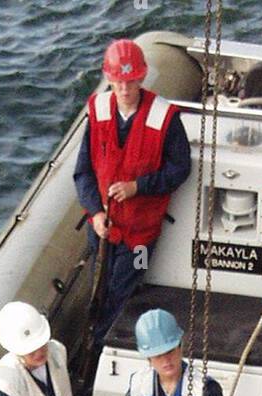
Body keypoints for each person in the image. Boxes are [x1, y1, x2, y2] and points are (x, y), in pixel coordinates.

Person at [73, 38, 191, 357]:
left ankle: (100, 353)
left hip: (140, 233)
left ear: (141, 78)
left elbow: (180, 169)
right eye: (119, 81)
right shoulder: (97, 112)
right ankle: (98, 344)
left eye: (131, 80)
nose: (125, 88)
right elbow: (83, 172)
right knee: (100, 290)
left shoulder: (164, 118)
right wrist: (95, 214)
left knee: (121, 291)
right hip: (103, 228)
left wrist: (138, 187)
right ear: (110, 79)